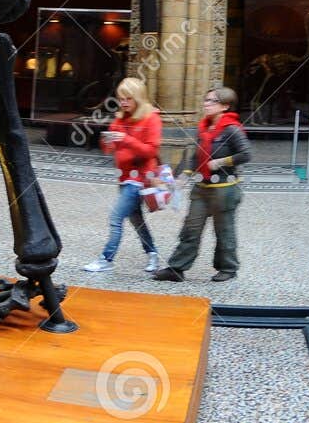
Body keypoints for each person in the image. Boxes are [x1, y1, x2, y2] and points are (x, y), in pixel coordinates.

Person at [153, 85, 251, 283]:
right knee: (191, 228)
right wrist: (184, 176)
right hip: (202, 188)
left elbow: (246, 154)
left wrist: (222, 162)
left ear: (225, 106)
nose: (206, 104)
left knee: (224, 231)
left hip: (224, 190)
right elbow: (195, 156)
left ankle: (228, 268)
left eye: (211, 101)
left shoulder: (232, 129)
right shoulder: (204, 127)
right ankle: (177, 268)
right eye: (206, 100)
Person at [82, 77, 163, 273]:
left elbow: (150, 151)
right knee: (136, 220)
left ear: (139, 98)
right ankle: (153, 254)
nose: (124, 102)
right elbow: (110, 148)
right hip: (125, 177)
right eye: (121, 98)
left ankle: (106, 259)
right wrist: (107, 141)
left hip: (140, 179)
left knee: (116, 217)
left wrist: (125, 139)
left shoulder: (151, 118)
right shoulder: (120, 118)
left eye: (128, 98)